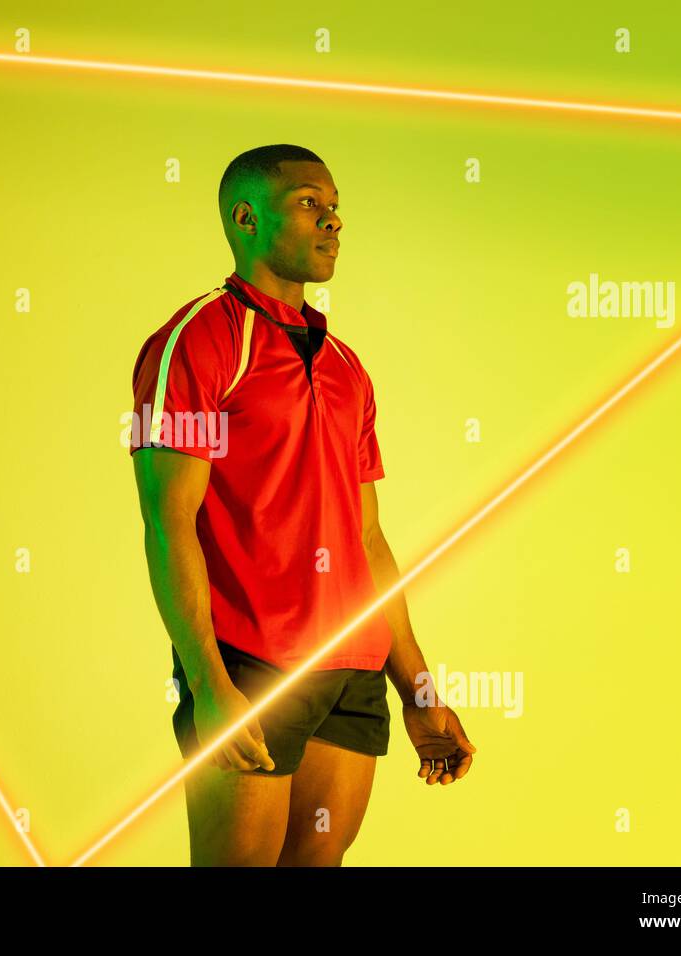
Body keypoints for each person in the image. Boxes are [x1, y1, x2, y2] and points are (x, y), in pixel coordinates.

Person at [129, 144, 476, 867]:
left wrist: (418, 689)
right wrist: (209, 686)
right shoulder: (196, 342)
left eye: (336, 205)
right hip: (252, 665)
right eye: (310, 204)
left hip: (352, 670)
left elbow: (369, 540)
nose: (334, 220)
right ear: (245, 217)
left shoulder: (348, 367)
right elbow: (169, 524)